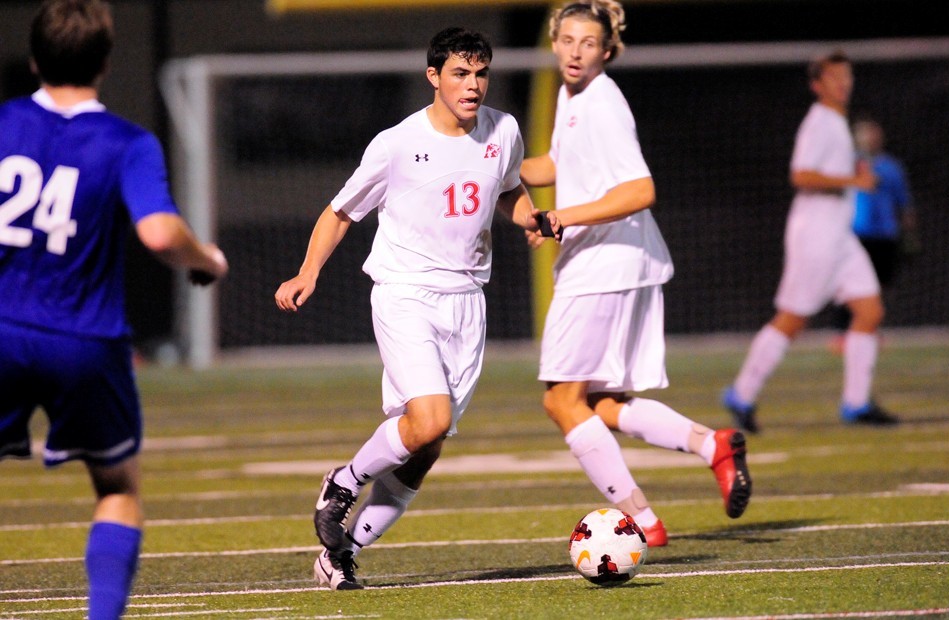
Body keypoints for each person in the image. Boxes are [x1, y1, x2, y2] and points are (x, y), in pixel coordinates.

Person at [274, 27, 560, 590]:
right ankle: (343, 482)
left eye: (480, 73)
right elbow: (340, 212)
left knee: (424, 448)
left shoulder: (504, 129)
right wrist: (308, 273)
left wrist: (532, 217)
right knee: (429, 421)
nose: (472, 85)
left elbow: (504, 190)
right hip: (405, 292)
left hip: (467, 303)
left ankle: (341, 554)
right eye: (459, 73)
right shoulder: (397, 143)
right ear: (434, 77)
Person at [0, 1, 229, 618]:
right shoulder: (127, 142)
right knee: (117, 487)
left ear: (33, 59)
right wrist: (206, 258)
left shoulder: (3, 124)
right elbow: (158, 234)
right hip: (84, 339)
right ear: (105, 62)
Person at [518, 0, 752, 548]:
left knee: (561, 401)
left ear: (607, 51)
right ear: (555, 43)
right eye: (568, 40)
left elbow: (640, 189)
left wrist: (558, 217)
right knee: (599, 404)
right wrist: (493, 164)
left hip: (605, 263)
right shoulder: (573, 97)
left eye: (588, 44)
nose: (576, 52)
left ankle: (642, 523)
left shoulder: (603, 102)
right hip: (616, 261)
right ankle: (710, 445)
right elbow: (558, 164)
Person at [722, 50, 899, 433]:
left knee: (869, 312)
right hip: (815, 234)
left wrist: (851, 172)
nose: (843, 83)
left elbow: (827, 173)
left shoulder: (838, 123)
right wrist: (853, 181)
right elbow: (801, 175)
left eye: (847, 76)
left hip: (840, 236)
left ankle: (855, 403)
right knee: (793, 319)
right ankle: (742, 393)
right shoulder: (819, 121)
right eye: (834, 77)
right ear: (818, 85)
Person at [829, 116, 917, 350]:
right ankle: (842, 333)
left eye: (874, 133)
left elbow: (904, 202)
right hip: (856, 233)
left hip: (885, 234)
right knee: (847, 284)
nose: (870, 138)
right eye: (865, 133)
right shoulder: (847, 164)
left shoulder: (891, 167)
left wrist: (909, 233)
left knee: (878, 286)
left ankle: (869, 330)